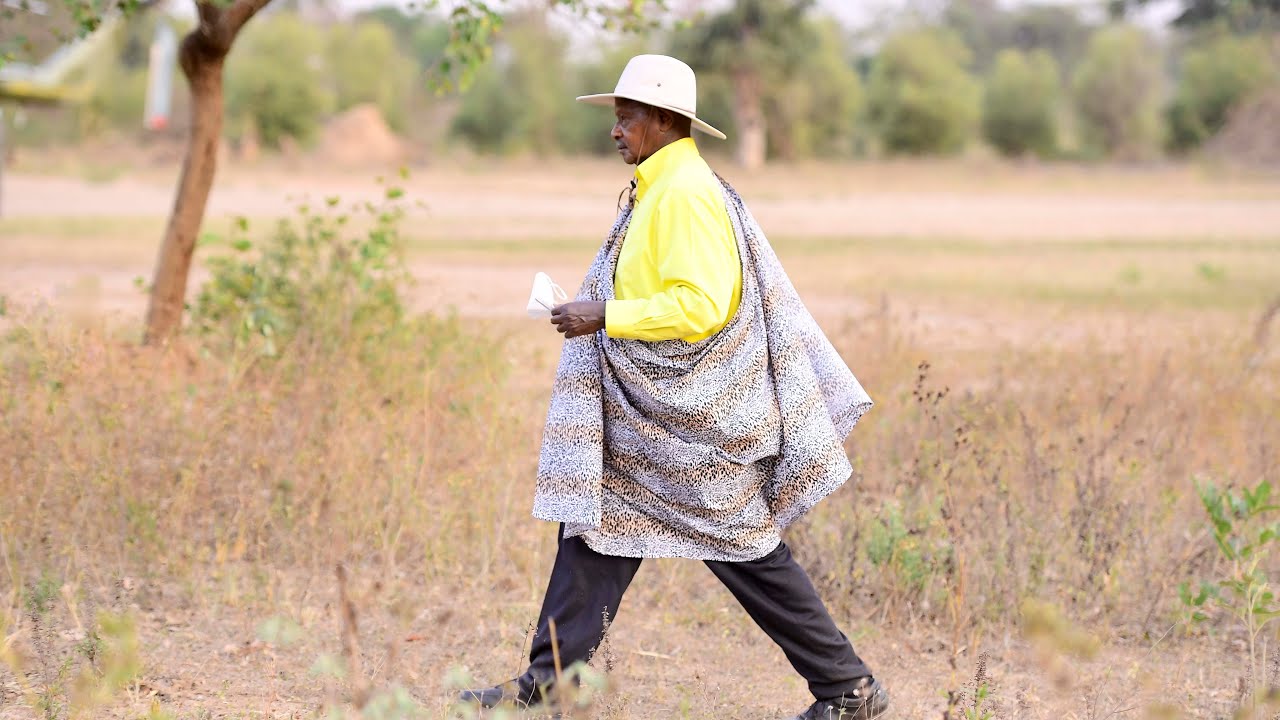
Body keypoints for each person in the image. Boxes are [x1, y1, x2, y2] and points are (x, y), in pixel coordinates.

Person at [461, 54, 888, 720]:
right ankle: (545, 684)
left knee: (747, 552)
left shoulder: (685, 195)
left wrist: (604, 313)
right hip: (658, 417)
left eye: (626, 118)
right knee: (596, 528)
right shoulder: (664, 185)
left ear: (662, 120)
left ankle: (848, 688)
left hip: (694, 423)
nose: (615, 131)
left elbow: (701, 305)